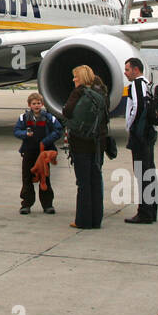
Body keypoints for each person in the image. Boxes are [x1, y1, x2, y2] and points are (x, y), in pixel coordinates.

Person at [64, 66, 107, 229]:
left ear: (81, 77)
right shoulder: (101, 92)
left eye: (75, 76)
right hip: (98, 142)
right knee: (96, 180)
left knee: (83, 183)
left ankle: (83, 220)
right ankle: (96, 219)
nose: (74, 79)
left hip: (81, 142)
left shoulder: (78, 92)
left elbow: (67, 111)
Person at [14, 93, 63, 215]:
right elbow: (16, 131)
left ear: (42, 104)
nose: (36, 106)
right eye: (34, 104)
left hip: (43, 153)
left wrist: (46, 141)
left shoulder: (49, 117)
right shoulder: (23, 118)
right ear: (29, 105)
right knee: (27, 178)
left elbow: (58, 130)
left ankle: (47, 205)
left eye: (38, 103)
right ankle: (26, 204)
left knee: (44, 178)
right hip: (29, 151)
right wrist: (25, 134)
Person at [124, 57, 158, 224]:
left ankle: (144, 213)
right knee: (149, 172)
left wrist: (130, 125)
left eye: (127, 69)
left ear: (136, 70)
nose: (125, 73)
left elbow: (137, 107)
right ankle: (152, 210)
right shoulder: (148, 83)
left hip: (140, 135)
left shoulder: (137, 84)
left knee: (142, 173)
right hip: (149, 133)